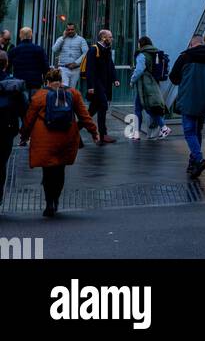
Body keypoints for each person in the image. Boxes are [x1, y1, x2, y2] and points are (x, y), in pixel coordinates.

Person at [21, 66, 99, 217]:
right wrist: (94, 132)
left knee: (48, 171)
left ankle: (49, 202)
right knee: (60, 170)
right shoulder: (73, 93)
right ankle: (56, 199)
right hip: (66, 138)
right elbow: (84, 116)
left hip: (45, 139)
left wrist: (24, 135)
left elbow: (29, 119)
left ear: (47, 81)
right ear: (61, 80)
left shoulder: (39, 95)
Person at [168, 35, 205, 178]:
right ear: (203, 43)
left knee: (189, 131)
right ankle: (192, 162)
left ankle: (199, 160)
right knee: (197, 130)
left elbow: (173, 77)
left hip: (188, 98)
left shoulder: (185, 57)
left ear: (191, 44)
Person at [0, 51, 27, 208]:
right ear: (6, 64)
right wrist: (26, 130)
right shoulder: (13, 85)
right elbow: (23, 109)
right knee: (2, 163)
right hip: (6, 128)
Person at [131, 36, 171, 141]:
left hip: (144, 86)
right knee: (143, 108)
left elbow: (139, 70)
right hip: (153, 83)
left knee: (146, 108)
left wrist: (132, 80)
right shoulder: (155, 52)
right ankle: (137, 133)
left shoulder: (142, 55)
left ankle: (164, 128)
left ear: (141, 44)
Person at [84, 28, 119, 144]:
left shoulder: (106, 49)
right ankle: (102, 134)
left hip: (104, 84)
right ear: (103, 38)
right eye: (110, 37)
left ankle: (75, 129)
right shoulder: (94, 50)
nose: (112, 39)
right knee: (103, 105)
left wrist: (115, 79)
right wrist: (91, 86)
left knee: (92, 110)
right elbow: (90, 70)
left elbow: (111, 66)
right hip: (96, 84)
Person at [10, 27, 49, 121]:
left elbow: (7, 65)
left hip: (20, 82)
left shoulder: (15, 50)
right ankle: (33, 127)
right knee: (35, 105)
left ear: (20, 36)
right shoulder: (39, 49)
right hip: (35, 81)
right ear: (31, 36)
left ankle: (25, 125)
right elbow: (45, 66)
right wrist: (46, 79)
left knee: (23, 106)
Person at [51, 23, 88, 89]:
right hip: (63, 68)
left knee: (72, 90)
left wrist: (76, 63)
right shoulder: (61, 39)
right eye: (68, 29)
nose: (70, 31)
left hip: (76, 69)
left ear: (75, 30)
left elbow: (86, 53)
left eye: (72, 29)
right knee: (64, 88)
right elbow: (54, 49)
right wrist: (63, 38)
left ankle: (70, 99)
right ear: (66, 30)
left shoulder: (81, 40)